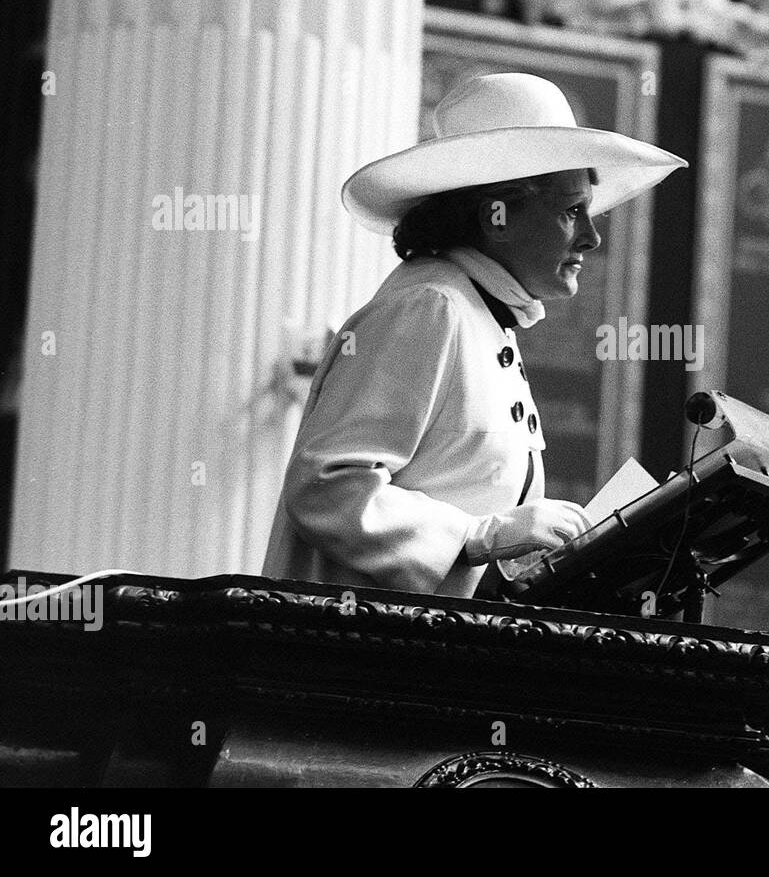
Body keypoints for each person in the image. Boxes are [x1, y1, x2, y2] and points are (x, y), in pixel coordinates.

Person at [262, 72, 687, 597]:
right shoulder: (431, 307)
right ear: (497, 217)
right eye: (571, 211)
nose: (591, 236)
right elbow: (326, 489)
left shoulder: (474, 311)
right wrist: (482, 536)